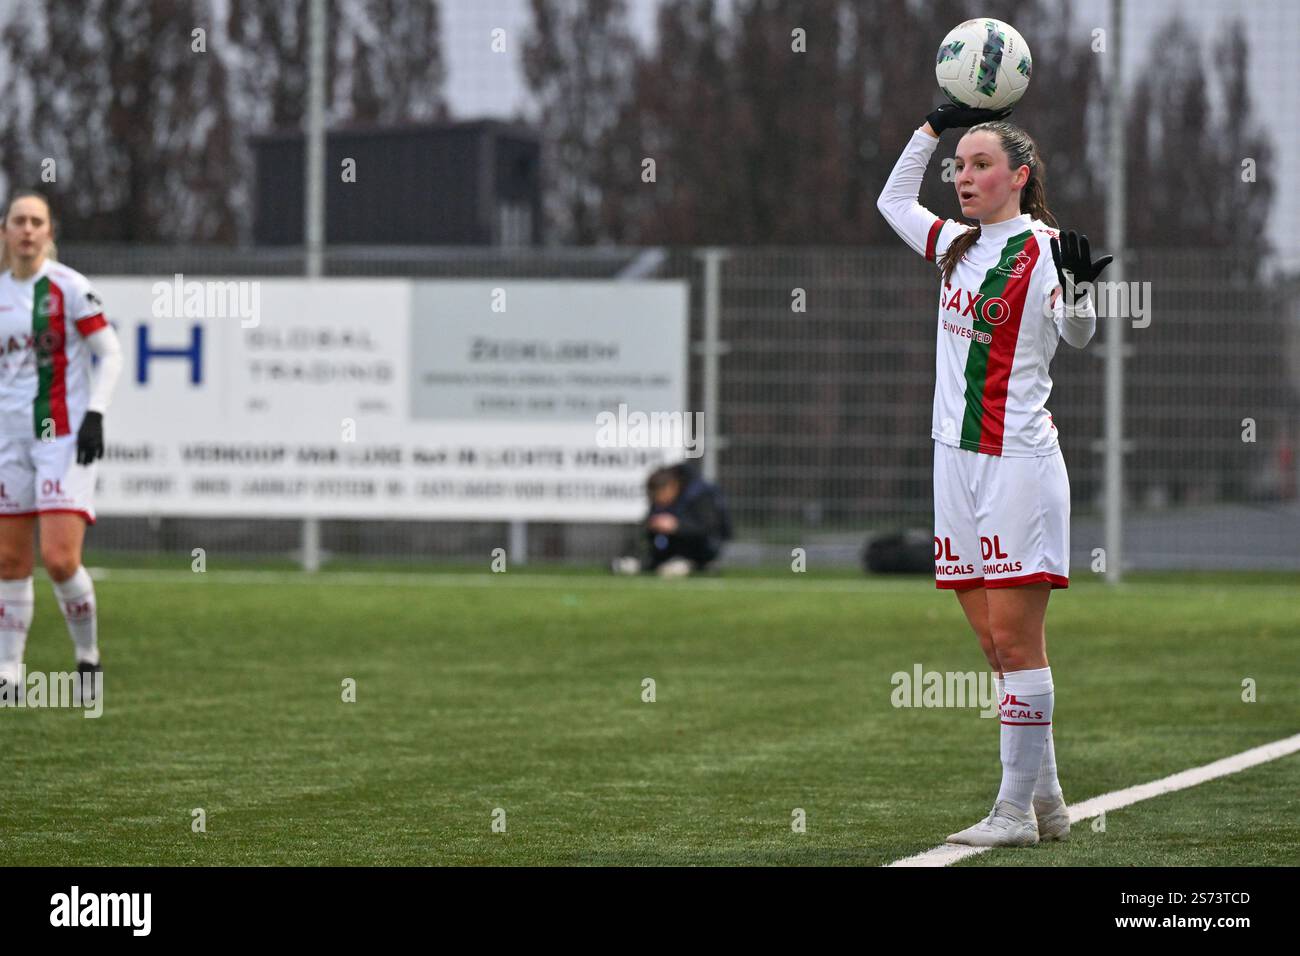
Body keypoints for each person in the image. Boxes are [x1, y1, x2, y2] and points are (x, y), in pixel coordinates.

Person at [877, 103, 1112, 847]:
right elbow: (891, 201)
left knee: (1018, 644)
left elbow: (1079, 336)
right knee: (992, 646)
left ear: (1020, 176)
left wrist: (1079, 293)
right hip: (955, 464)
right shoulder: (956, 245)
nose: (963, 176)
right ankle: (1047, 805)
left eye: (980, 165)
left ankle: (1011, 814)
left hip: (1017, 464)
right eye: (958, 165)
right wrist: (930, 127)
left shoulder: (1043, 248)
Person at [0, 190, 124, 703]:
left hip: (62, 437)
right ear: (5, 231)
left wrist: (94, 414)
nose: (27, 230)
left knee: (57, 559)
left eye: (37, 222)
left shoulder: (70, 288)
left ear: (50, 233)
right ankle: (9, 673)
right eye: (18, 221)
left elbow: (110, 353)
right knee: (8, 562)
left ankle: (87, 658)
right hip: (9, 441)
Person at [611, 462, 731, 577]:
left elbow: (710, 528)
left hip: (701, 547)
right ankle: (639, 561)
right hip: (669, 548)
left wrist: (677, 526)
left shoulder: (701, 495)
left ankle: (694, 564)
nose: (659, 503)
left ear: (672, 487)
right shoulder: (659, 499)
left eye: (661, 497)